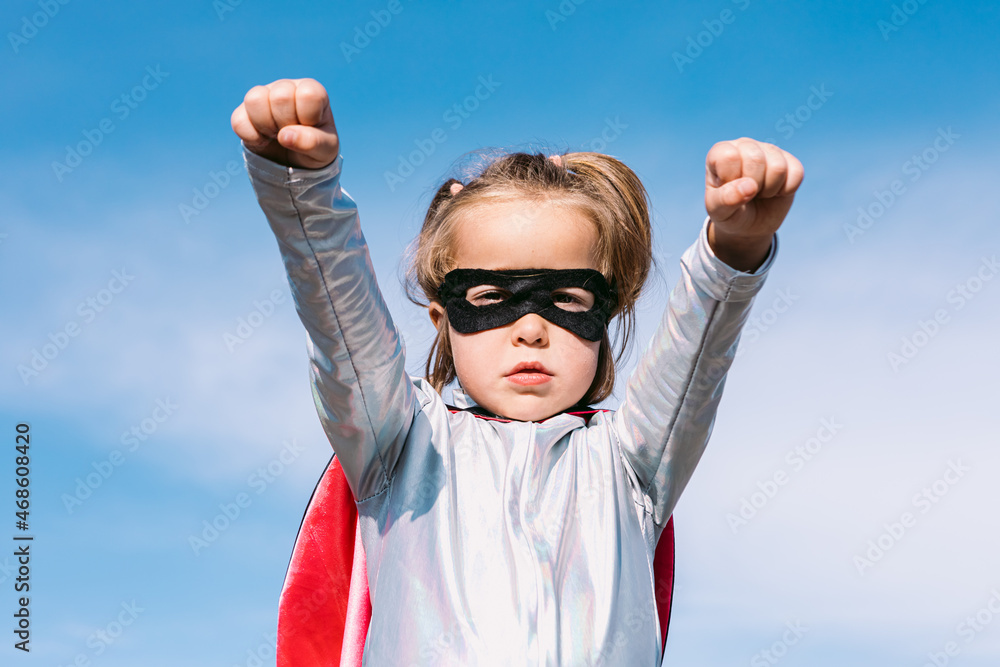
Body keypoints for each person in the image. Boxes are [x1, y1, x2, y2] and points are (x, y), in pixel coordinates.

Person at [232, 77, 803, 666]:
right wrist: (302, 192)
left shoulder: (634, 464)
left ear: (607, 317)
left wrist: (733, 250)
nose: (531, 329)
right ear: (441, 318)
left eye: (567, 299)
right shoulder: (400, 446)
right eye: (490, 296)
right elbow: (340, 325)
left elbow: (698, 358)